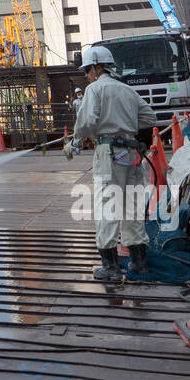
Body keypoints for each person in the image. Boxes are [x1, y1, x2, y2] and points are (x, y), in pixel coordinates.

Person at [70, 45, 157, 282]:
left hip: (108, 153)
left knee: (108, 206)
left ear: (98, 67)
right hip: (131, 153)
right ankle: (139, 263)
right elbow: (150, 117)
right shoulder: (127, 90)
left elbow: (86, 122)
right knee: (132, 206)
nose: (87, 75)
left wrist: (75, 141)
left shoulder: (94, 89)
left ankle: (110, 267)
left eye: (88, 70)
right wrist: (126, 126)